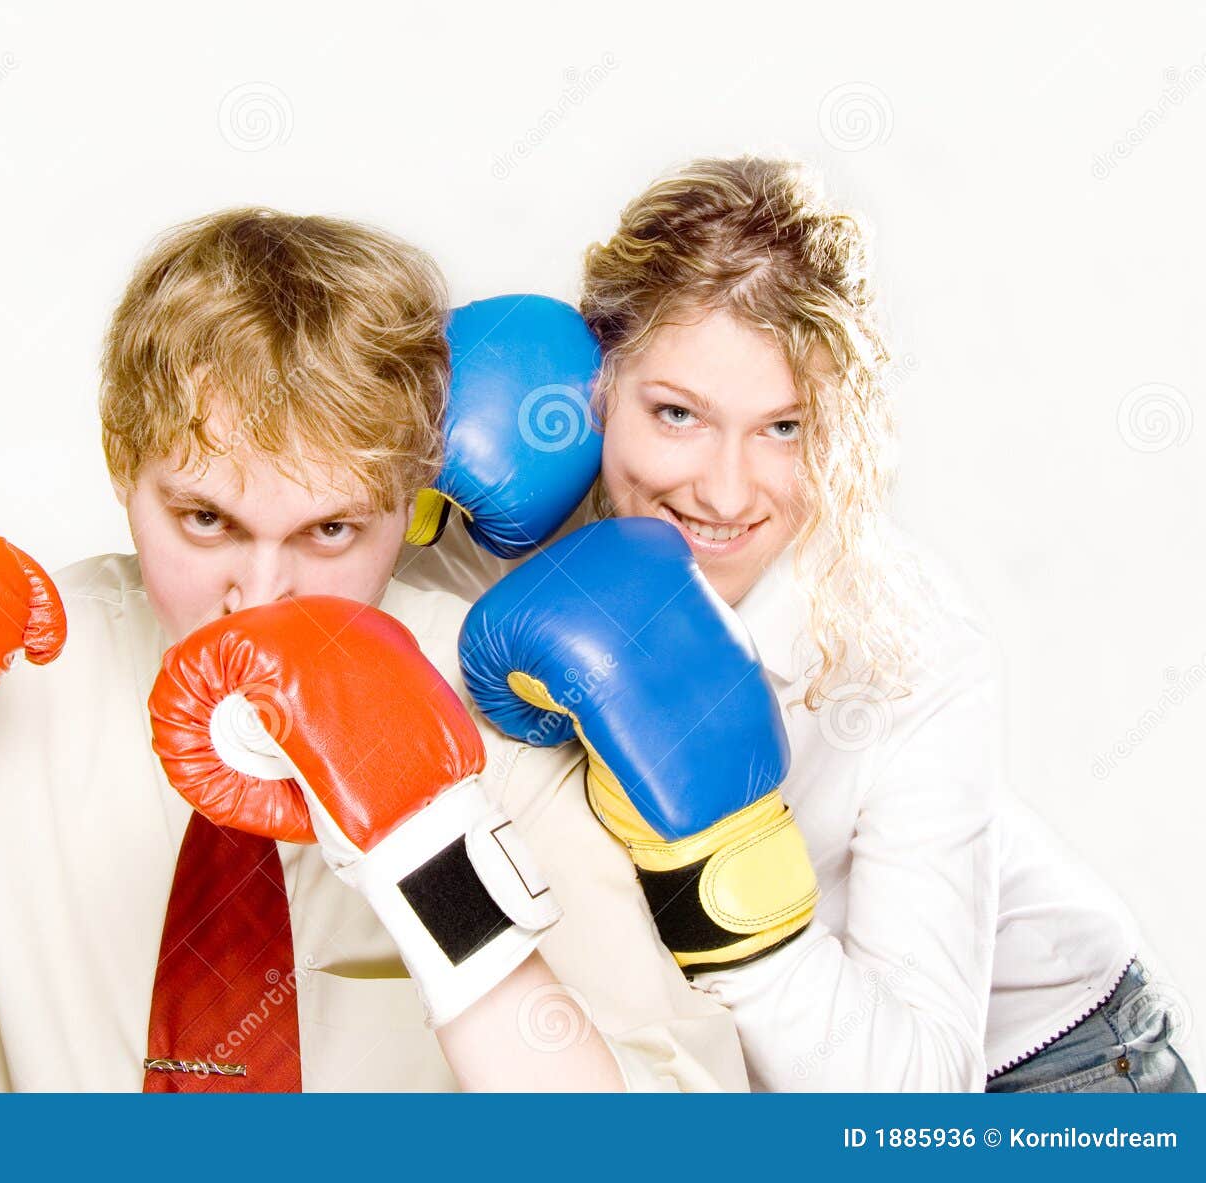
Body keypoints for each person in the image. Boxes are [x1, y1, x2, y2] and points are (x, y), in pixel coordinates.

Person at [0, 208, 744, 1092]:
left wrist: (433, 871)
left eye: (330, 530)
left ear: (407, 498)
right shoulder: (24, 668)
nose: (258, 591)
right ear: (122, 467)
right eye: (206, 521)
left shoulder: (499, 709)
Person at [399, 157, 1195, 1093]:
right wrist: (394, 492)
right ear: (596, 388)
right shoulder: (517, 518)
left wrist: (723, 872)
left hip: (1057, 1069)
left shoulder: (908, 643)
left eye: (786, 427)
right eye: (677, 413)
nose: (725, 493)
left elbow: (920, 1104)